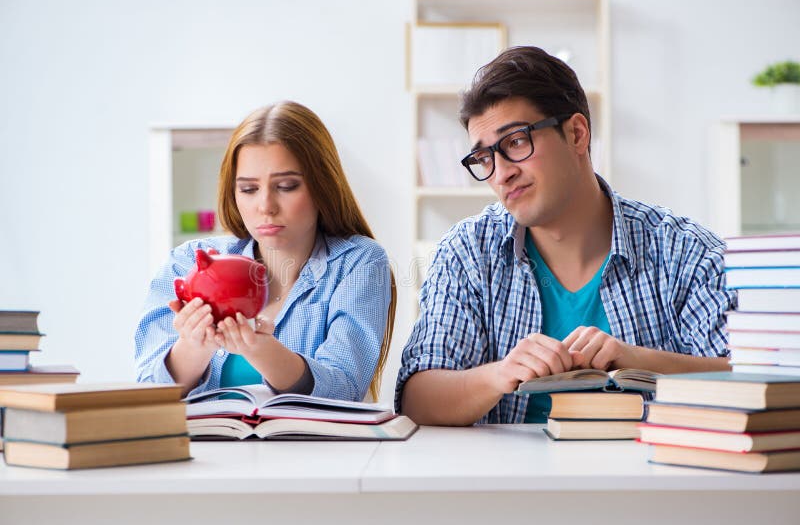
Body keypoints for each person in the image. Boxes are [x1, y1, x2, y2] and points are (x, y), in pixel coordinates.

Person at [397, 46, 736, 425]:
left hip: (652, 479)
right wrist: (499, 375)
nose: (500, 173)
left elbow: (757, 382)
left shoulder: (685, 252)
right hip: (509, 482)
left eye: (516, 142)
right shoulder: (468, 253)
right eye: (485, 158)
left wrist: (639, 361)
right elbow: (417, 400)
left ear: (576, 134)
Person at [135, 101, 396, 402]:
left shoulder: (358, 262)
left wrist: (261, 350)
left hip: (309, 450)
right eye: (248, 189)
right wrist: (193, 347)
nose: (265, 207)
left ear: (322, 185)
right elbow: (147, 391)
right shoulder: (187, 263)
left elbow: (346, 387)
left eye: (286, 186)